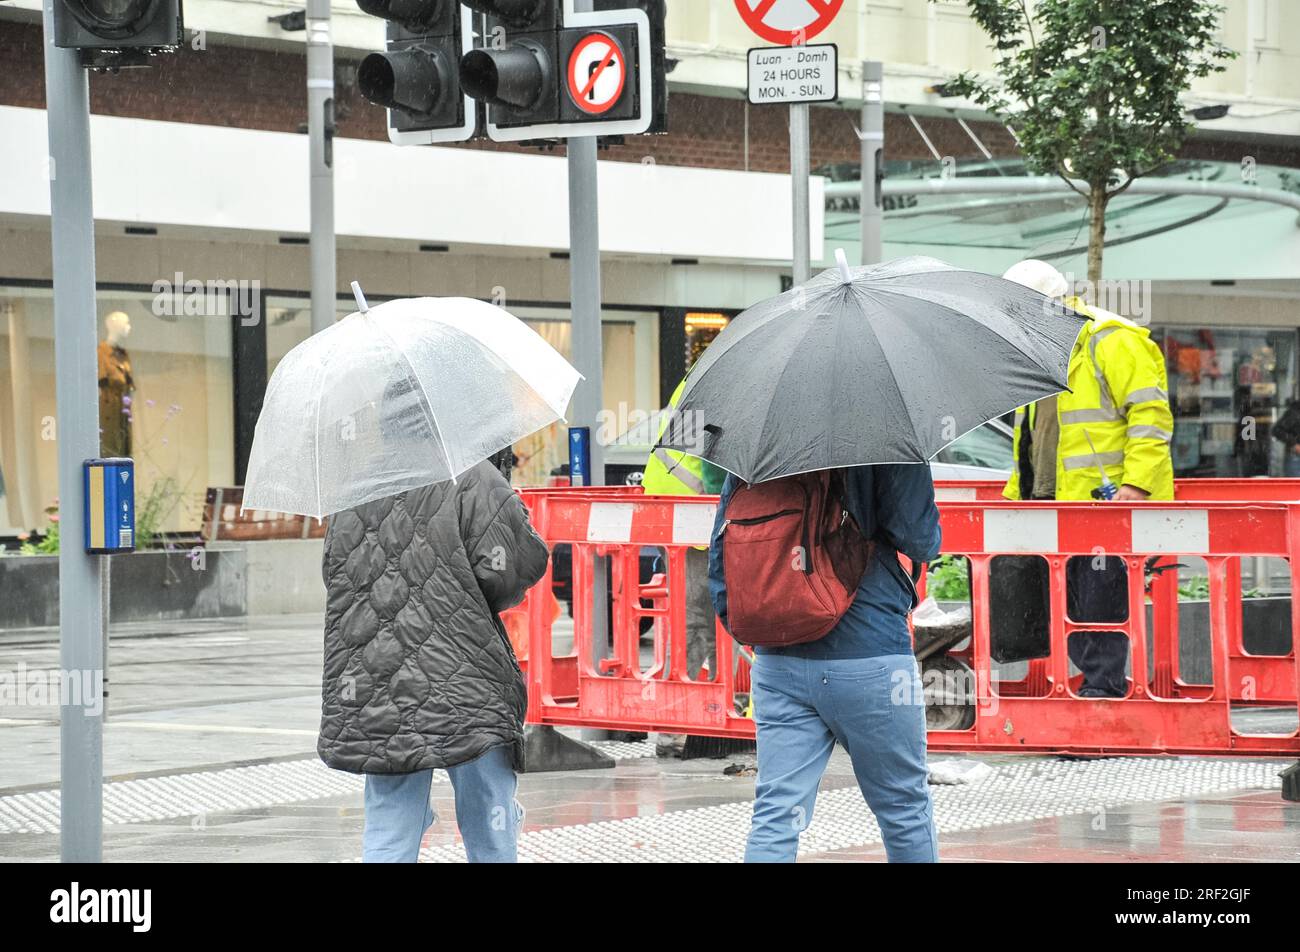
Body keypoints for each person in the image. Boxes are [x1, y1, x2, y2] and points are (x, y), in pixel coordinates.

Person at [318, 449, 549, 862]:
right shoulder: (474, 477)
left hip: (377, 680)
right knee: (489, 819)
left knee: (390, 826)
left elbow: (335, 574)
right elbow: (508, 569)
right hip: (466, 672)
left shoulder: (357, 488)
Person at [708, 463, 941, 863]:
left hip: (778, 660)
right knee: (903, 809)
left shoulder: (759, 446)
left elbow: (721, 554)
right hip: (869, 653)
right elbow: (920, 539)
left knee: (776, 814)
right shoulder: (887, 438)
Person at [1001, 259, 1174, 698]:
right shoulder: (1038, 349)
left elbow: (1150, 417)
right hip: (1051, 498)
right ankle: (1087, 688)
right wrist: (1016, 497)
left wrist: (1136, 486)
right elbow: (1031, 436)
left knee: (1099, 601)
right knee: (1067, 602)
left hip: (1103, 501)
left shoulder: (1111, 340)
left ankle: (1103, 693)